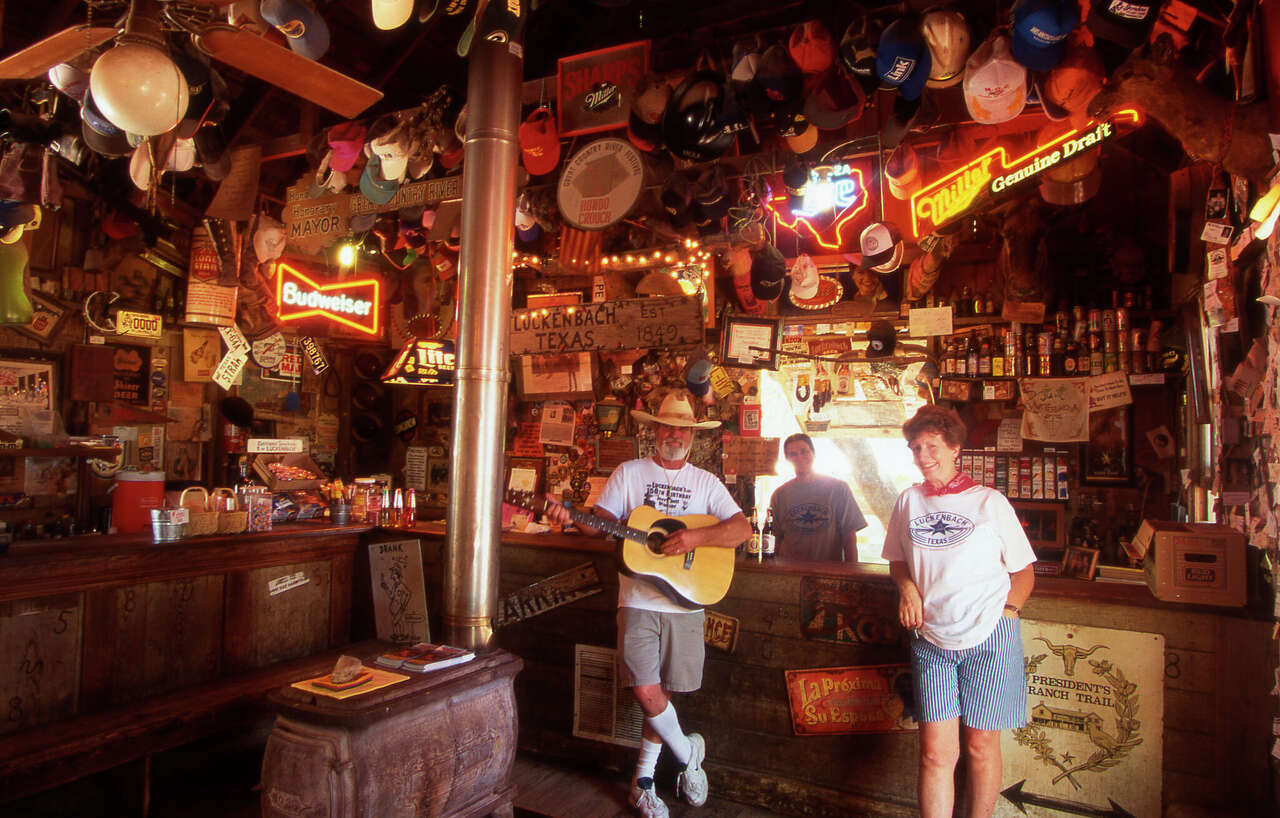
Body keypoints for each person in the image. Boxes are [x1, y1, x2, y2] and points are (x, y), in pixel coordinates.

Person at [543, 390, 751, 818]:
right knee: (645, 690)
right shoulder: (629, 472)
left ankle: (642, 783)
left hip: (688, 600)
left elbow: (741, 529)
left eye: (683, 428)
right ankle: (687, 752)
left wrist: (695, 537)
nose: (674, 434)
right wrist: (569, 516)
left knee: (667, 695)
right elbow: (598, 527)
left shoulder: (706, 483)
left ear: (692, 435)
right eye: (667, 426)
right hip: (636, 599)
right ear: (654, 430)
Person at [882, 405, 1036, 818]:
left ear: (954, 448)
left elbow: (1024, 574)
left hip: (989, 639)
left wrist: (1008, 613)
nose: (922, 455)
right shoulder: (908, 501)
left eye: (932, 445)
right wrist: (907, 588)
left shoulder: (990, 501)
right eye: (915, 447)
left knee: (981, 747)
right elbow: (897, 560)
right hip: (931, 639)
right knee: (935, 754)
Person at [768, 433, 867, 562]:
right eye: (793, 454)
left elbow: (849, 535)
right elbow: (774, 538)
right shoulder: (780, 495)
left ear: (813, 454)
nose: (799, 457)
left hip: (828, 571)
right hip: (789, 571)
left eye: (804, 451)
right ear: (787, 459)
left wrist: (852, 573)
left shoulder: (838, 489)